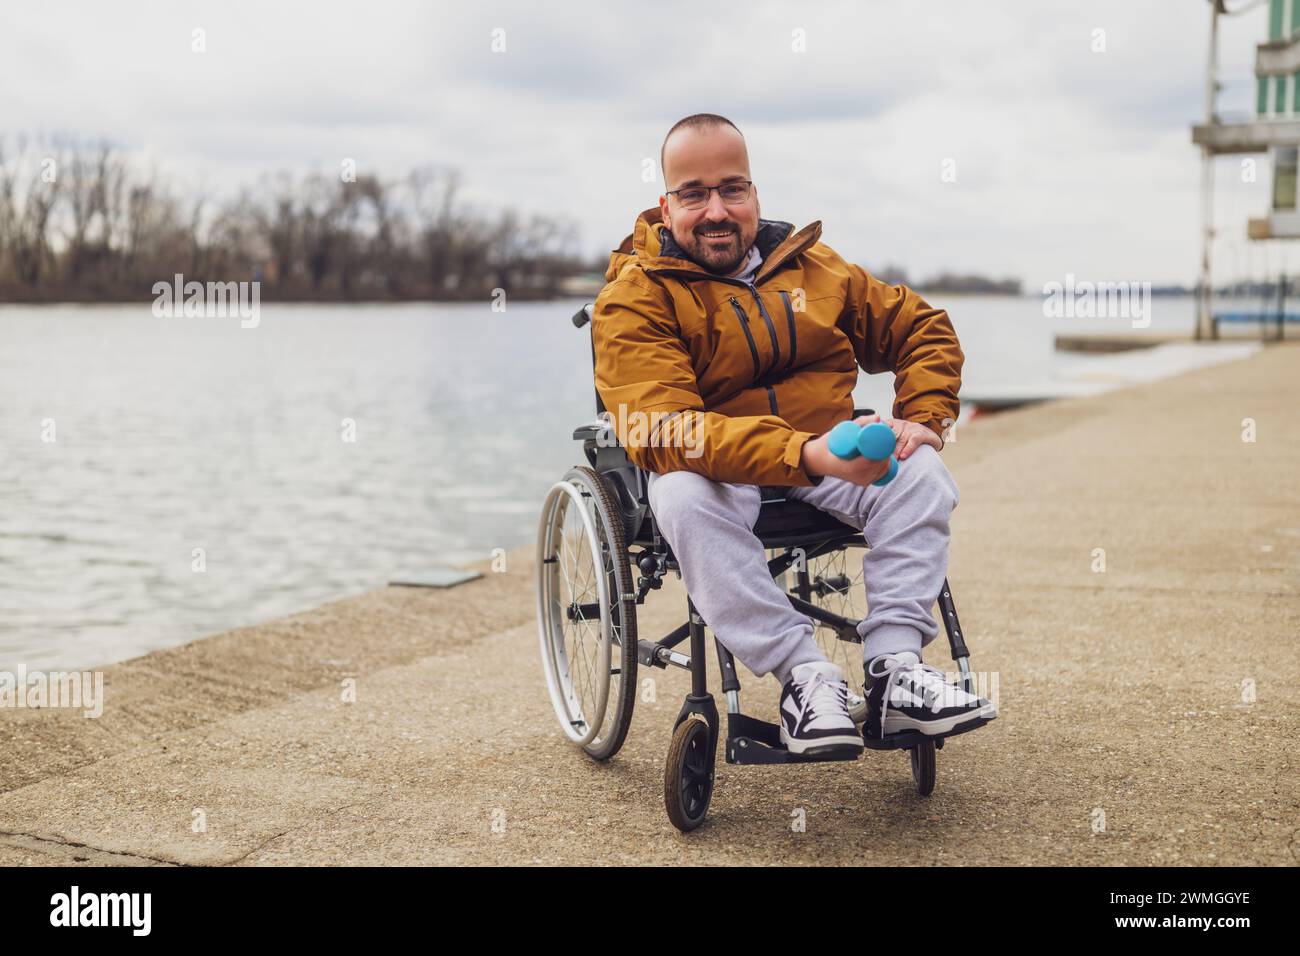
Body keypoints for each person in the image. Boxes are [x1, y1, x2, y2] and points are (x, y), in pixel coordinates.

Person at [591, 113, 996, 755]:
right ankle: (805, 677)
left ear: (755, 194)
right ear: (665, 205)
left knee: (921, 474)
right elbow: (663, 429)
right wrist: (804, 455)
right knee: (681, 497)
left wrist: (923, 416)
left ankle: (895, 672)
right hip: (720, 470)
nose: (716, 209)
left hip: (827, 449)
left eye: (733, 188)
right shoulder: (635, 298)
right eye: (694, 193)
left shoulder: (815, 270)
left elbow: (922, 328)